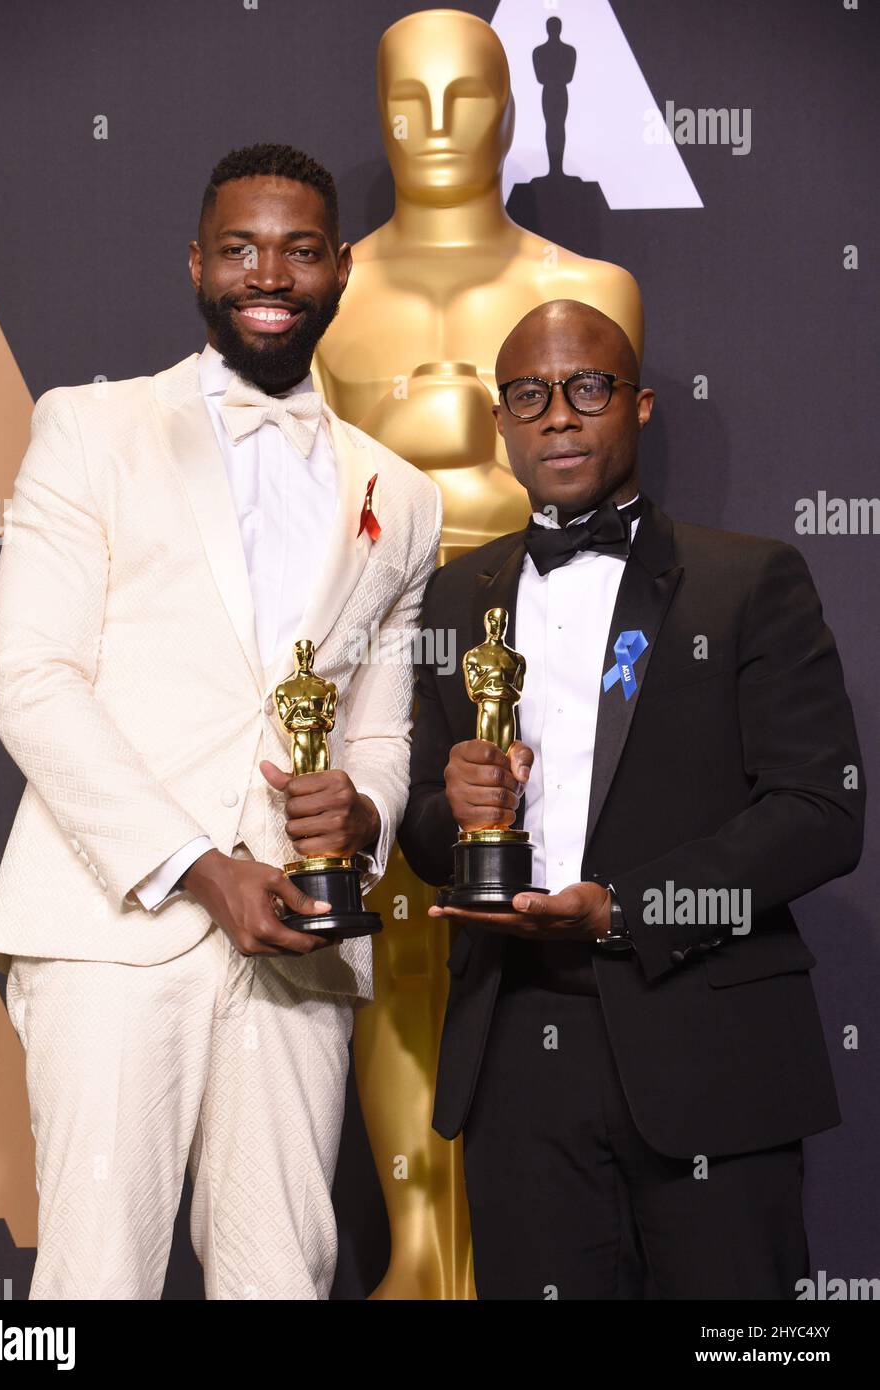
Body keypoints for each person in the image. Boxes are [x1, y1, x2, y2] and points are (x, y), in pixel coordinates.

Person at [0, 143, 442, 1300]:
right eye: (239, 248)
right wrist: (197, 866)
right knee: (96, 1280)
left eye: (297, 250)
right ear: (196, 265)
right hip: (113, 922)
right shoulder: (89, 428)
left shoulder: (405, 494)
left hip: (297, 939)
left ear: (341, 274)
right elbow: (32, 681)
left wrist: (367, 810)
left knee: (283, 1272)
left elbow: (377, 730)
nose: (266, 273)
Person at [398, 298, 864, 1300]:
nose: (557, 415)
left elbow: (820, 811)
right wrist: (454, 802)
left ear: (638, 405)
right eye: (529, 395)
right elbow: (424, 830)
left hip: (707, 1042)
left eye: (586, 387)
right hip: (515, 1057)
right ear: (500, 423)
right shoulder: (452, 597)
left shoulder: (747, 581)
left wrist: (628, 908)